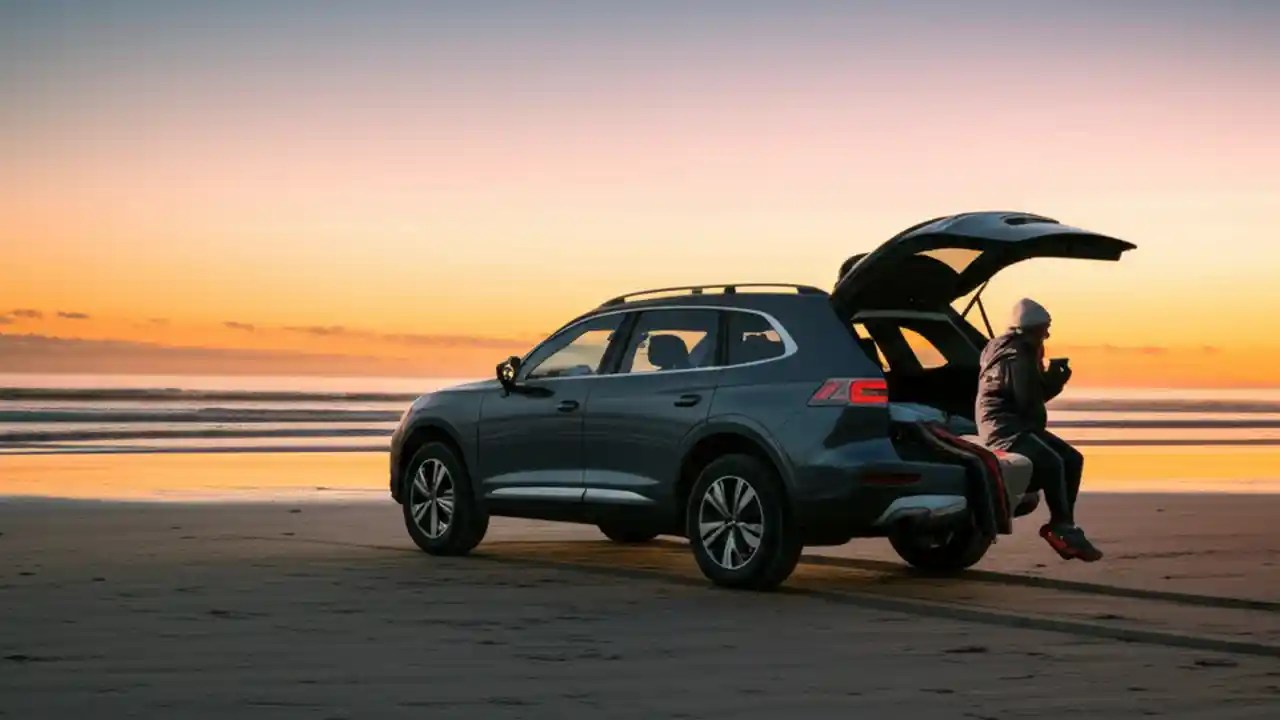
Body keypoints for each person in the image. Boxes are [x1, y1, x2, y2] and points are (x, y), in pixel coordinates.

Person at [976, 299, 1103, 561]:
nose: (1047, 334)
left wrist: (1050, 381)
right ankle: (1060, 528)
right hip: (1004, 427)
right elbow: (1029, 402)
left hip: (1013, 423)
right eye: (1044, 329)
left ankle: (1064, 523)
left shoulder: (1011, 347)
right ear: (1031, 329)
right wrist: (1056, 382)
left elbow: (1029, 397)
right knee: (1053, 463)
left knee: (1072, 459)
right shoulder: (1017, 356)